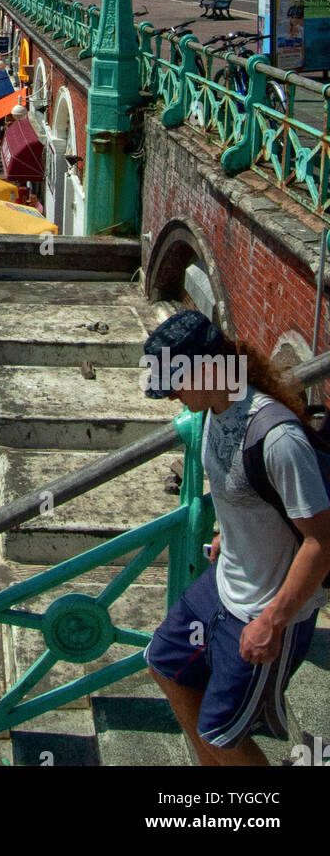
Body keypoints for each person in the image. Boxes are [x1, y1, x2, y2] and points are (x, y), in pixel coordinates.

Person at [143, 310, 330, 766]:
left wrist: (271, 622)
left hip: (262, 607)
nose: (171, 395)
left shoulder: (278, 438)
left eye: (176, 384)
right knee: (164, 662)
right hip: (223, 585)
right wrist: (228, 528)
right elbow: (235, 483)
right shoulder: (213, 410)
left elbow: (321, 542)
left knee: (222, 734)